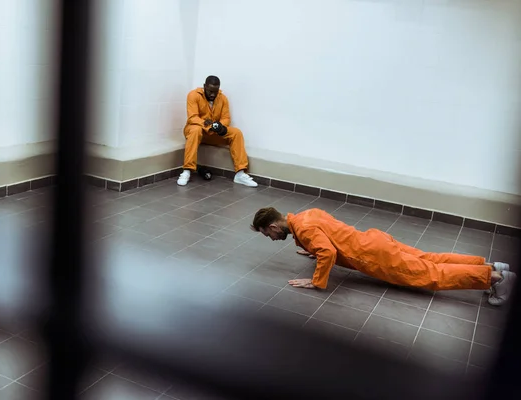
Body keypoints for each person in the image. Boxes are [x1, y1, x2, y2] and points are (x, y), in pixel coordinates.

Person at [250, 207, 517, 306]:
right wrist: (313, 249)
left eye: (267, 235)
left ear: (273, 226)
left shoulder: (305, 230)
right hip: (376, 239)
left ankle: (494, 279)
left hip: (375, 256)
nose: (271, 239)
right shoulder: (306, 215)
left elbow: (328, 250)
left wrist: (316, 280)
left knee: (430, 275)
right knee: (429, 257)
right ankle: (490, 264)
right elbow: (329, 237)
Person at [177, 75, 257, 187]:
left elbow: (226, 118)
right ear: (204, 86)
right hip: (196, 131)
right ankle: (187, 171)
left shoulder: (223, 98)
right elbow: (192, 117)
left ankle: (240, 173)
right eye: (210, 91)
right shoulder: (193, 95)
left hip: (212, 133)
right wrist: (206, 125)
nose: (213, 94)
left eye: (215, 91)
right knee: (195, 129)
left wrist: (221, 127)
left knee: (236, 133)